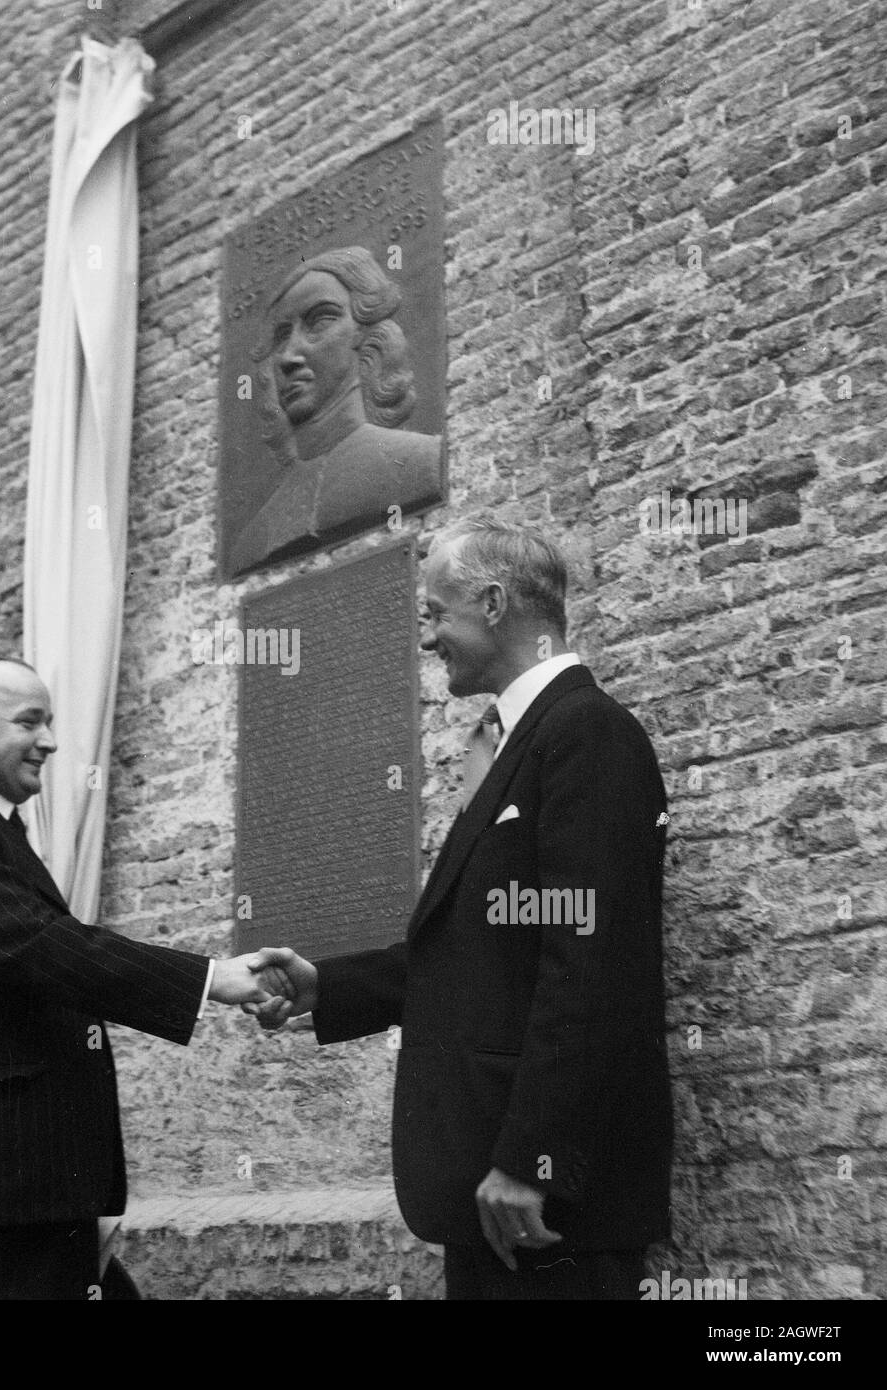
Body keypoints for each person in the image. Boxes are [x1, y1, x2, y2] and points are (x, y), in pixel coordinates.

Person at [252, 517, 673, 1300]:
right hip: (493, 1192)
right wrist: (324, 985)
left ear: (490, 602)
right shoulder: (522, 741)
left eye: (434, 613)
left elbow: (592, 967)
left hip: (545, 1205)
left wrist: (531, 1159)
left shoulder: (588, 734)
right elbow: (475, 952)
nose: (425, 638)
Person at [0, 655, 292, 1299]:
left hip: (27, 1192)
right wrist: (209, 978)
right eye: (29, 721)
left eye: (52, 721)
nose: (52, 741)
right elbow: (34, 947)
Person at [228, 245, 443, 574]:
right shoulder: (253, 541)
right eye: (282, 337)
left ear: (364, 332)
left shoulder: (423, 463)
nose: (288, 356)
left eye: (319, 322)